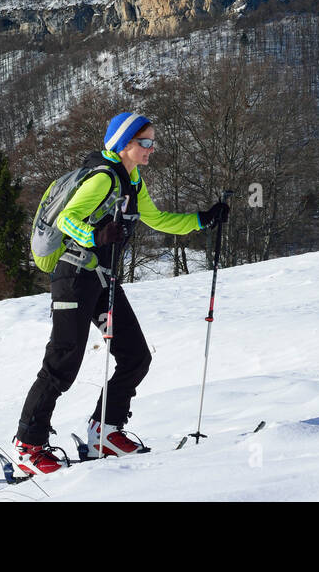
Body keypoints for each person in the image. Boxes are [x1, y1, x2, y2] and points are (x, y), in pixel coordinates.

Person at [12, 112, 230, 474]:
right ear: (123, 144)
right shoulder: (103, 178)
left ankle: (105, 432)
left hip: (102, 279)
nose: (151, 149)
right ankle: (28, 444)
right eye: (144, 142)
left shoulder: (132, 181)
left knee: (135, 356)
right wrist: (95, 236)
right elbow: (67, 218)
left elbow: (156, 219)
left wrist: (201, 219)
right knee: (63, 362)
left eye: (152, 142)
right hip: (74, 276)